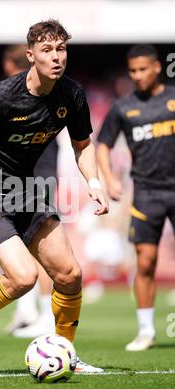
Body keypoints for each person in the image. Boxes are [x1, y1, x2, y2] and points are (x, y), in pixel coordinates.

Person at [0, 19, 108, 373]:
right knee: (24, 278)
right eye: (47, 51)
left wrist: (93, 180)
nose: (56, 57)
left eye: (61, 49)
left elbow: (83, 144)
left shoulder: (72, 94)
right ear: (31, 56)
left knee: (69, 274)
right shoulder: (1, 97)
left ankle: (65, 352)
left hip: (27, 191)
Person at [97, 44, 175, 351]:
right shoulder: (122, 107)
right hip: (146, 193)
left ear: (157, 67)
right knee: (146, 261)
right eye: (133, 71)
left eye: (143, 69)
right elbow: (102, 145)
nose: (138, 75)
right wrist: (109, 177)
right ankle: (145, 331)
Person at [1, 44, 58, 337]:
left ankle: (47, 318)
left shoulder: (35, 100)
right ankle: (28, 312)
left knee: (42, 250)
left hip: (38, 180)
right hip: (25, 181)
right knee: (22, 249)